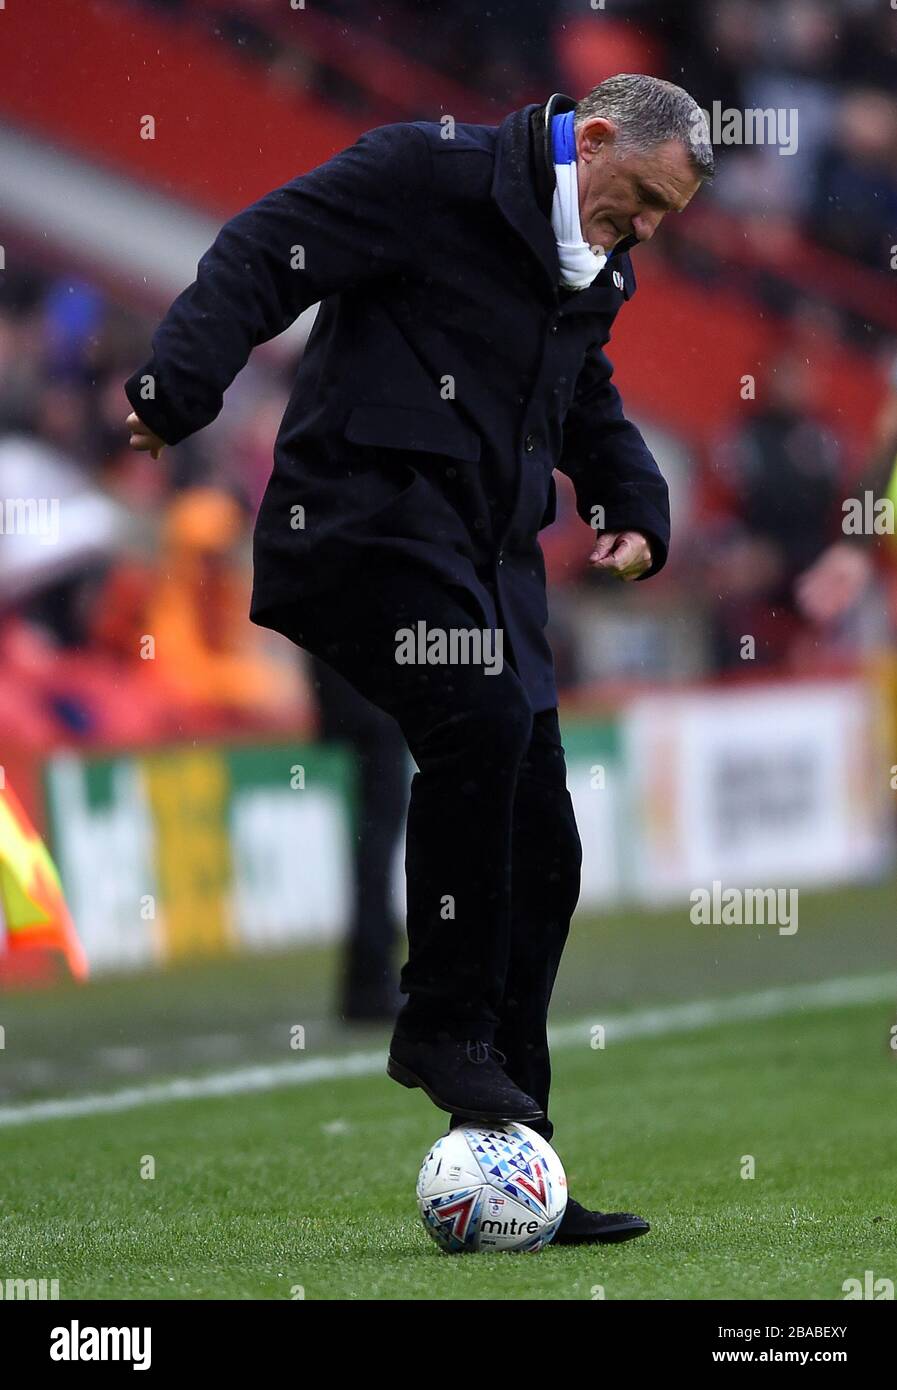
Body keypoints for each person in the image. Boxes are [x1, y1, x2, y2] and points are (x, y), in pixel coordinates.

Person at [125, 74, 711, 1244]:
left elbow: (582, 393)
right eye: (641, 198)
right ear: (591, 141)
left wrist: (632, 496)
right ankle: (440, 1026)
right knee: (479, 723)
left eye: (664, 216)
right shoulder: (425, 173)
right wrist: (178, 383)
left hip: (490, 564)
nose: (646, 230)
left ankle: (521, 1154)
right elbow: (262, 250)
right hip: (363, 528)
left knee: (546, 845)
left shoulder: (594, 261)